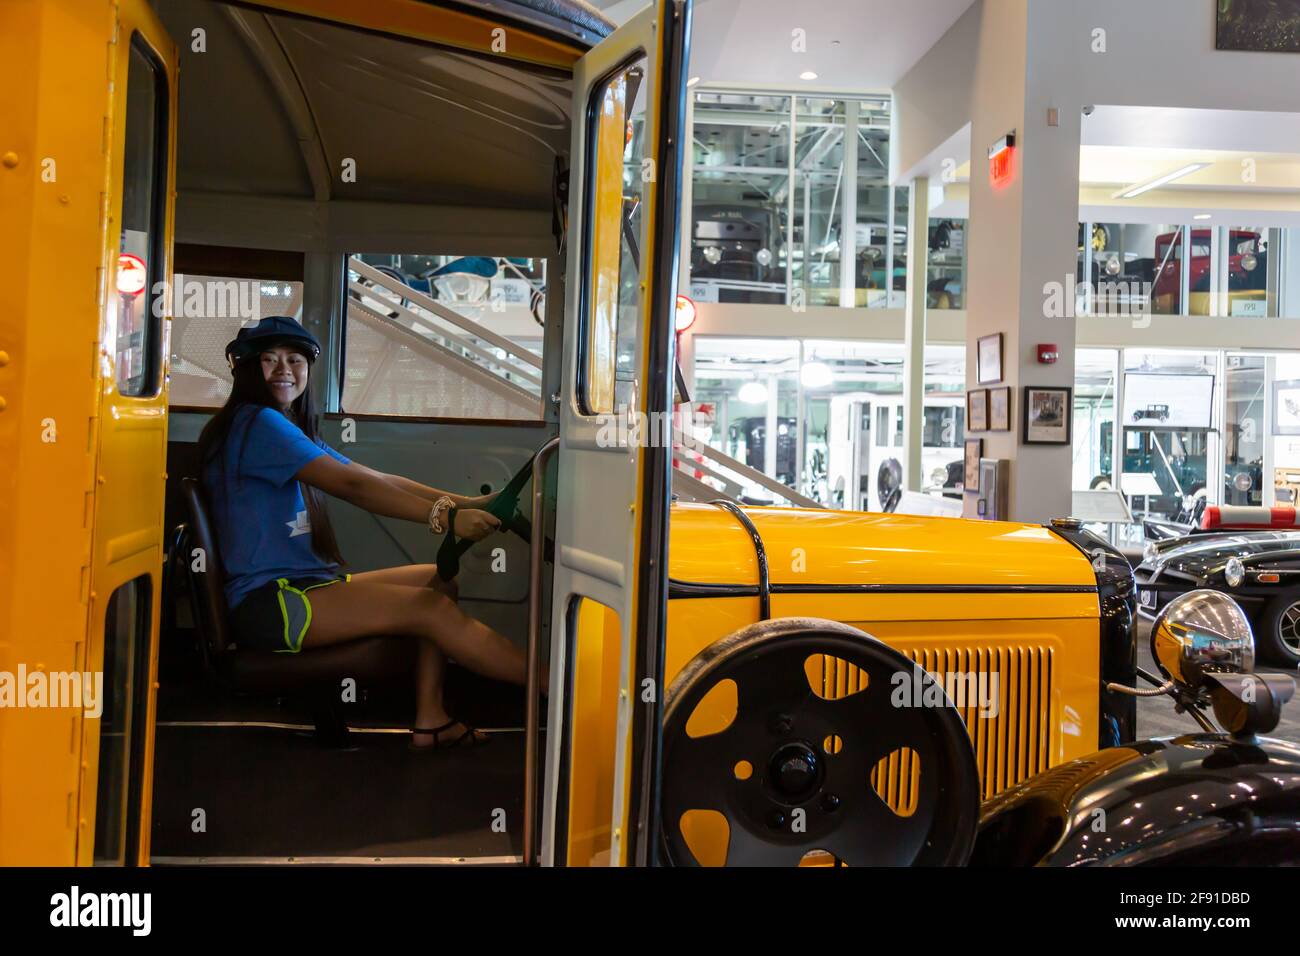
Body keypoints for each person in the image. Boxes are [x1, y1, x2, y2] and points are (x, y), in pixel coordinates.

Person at [199, 315, 536, 749]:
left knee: (438, 581)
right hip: (272, 603)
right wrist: (447, 520)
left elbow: (372, 476)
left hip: (301, 588)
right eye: (269, 359)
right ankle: (555, 686)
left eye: (295, 359)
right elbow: (355, 488)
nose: (284, 369)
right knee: (429, 609)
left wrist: (465, 505)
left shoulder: (282, 425)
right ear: (247, 369)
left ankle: (431, 720)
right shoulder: (257, 423)